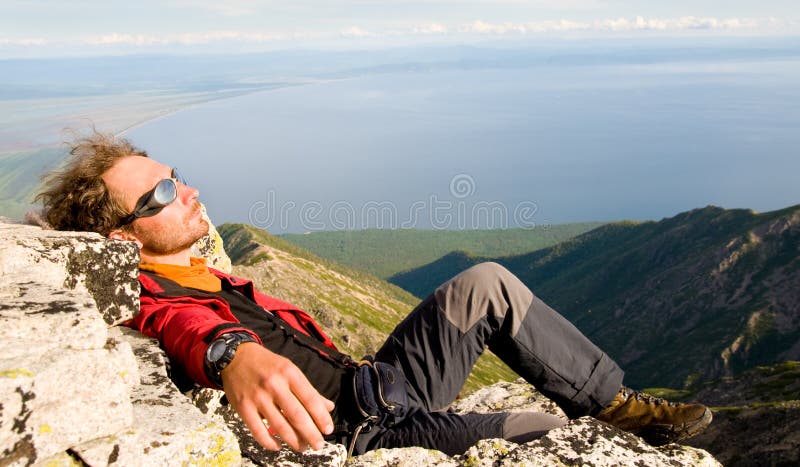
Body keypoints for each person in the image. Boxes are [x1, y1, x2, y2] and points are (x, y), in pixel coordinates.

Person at [37, 133, 712, 456]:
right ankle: (595, 429)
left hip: (378, 380)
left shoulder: (214, 273)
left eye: (175, 175)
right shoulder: (147, 292)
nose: (186, 190)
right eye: (159, 194)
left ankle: (618, 404)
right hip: (372, 428)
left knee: (487, 284)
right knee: (546, 438)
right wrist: (230, 353)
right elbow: (178, 324)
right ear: (121, 239)